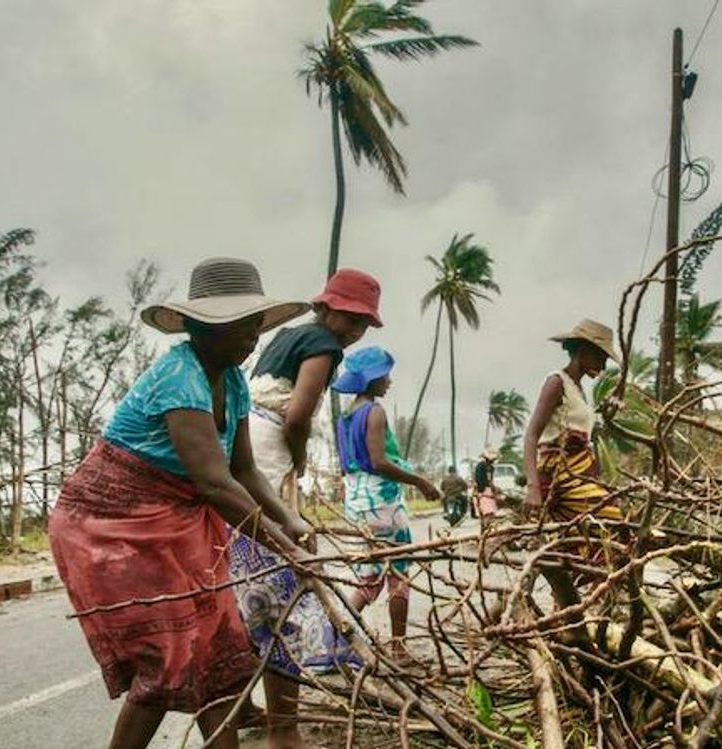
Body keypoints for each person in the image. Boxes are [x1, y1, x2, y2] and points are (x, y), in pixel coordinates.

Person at [49, 257, 313, 749]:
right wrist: (285, 547)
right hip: (112, 524)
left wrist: (291, 521)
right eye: (238, 325)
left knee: (221, 651)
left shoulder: (233, 381)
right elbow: (214, 484)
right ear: (198, 326)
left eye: (255, 324)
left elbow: (244, 471)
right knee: (168, 654)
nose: (251, 336)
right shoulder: (179, 377)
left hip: (177, 519)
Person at [226, 268, 381, 744]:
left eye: (363, 324)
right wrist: (301, 457)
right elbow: (297, 416)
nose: (354, 331)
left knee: (240, 589)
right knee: (279, 594)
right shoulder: (324, 347)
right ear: (327, 308)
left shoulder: (286, 336)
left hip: (242, 446)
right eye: (351, 318)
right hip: (267, 454)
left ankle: (240, 711)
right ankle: (283, 731)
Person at [333, 346, 441, 663]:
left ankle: (336, 641)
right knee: (399, 572)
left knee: (369, 577)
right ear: (372, 379)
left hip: (357, 499)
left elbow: (347, 465)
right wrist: (419, 481)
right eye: (386, 376)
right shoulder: (375, 411)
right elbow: (379, 461)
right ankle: (398, 648)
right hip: (383, 500)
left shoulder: (346, 416)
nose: (390, 382)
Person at [522, 319, 623, 612]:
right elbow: (531, 435)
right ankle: (564, 609)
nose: (603, 366)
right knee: (613, 524)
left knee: (568, 547)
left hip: (579, 473)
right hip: (560, 476)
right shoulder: (556, 382)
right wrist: (532, 487)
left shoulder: (579, 389)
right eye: (601, 357)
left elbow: (579, 431)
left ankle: (566, 614)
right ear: (582, 350)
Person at [473, 446, 501, 532]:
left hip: (489, 494)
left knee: (491, 514)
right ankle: (486, 532)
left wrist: (494, 489)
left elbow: (490, 481)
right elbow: (480, 482)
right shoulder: (480, 467)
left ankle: (488, 532)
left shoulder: (491, 468)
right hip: (483, 494)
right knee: (487, 514)